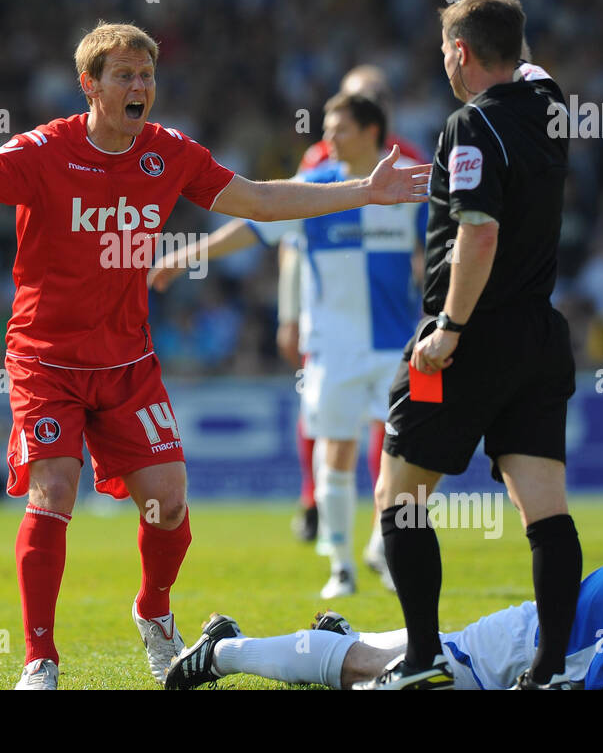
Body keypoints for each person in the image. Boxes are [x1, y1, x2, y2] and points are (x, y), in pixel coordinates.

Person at [0, 22, 430, 689]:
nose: (140, 87)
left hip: (127, 363)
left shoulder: (168, 153)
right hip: (45, 358)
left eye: (147, 76)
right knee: (55, 491)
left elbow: (258, 199)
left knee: (168, 506)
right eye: (125, 76)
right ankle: (39, 659)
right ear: (90, 85)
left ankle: (154, 613)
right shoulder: (41, 150)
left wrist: (363, 192)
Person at [373, 0, 582, 689]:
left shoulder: (469, 126)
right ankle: (551, 670)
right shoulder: (550, 104)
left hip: (463, 342)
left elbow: (480, 234)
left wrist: (448, 330)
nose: (443, 61)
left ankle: (424, 657)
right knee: (544, 507)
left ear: (459, 53)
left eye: (447, 48)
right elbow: (506, 45)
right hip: (539, 337)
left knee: (398, 496)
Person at [149, 92, 424, 599]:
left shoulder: (410, 181)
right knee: (336, 453)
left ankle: (383, 549)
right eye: (325, 127)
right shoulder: (315, 188)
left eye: (338, 128)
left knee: (409, 460)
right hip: (331, 350)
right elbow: (255, 227)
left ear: (370, 132)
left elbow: (440, 253)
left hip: (400, 350)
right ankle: (341, 565)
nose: (328, 139)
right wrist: (190, 253)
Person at [166, 544, 603, 691]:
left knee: (424, 652)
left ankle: (345, 635)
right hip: (535, 648)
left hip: (565, 632)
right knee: (378, 677)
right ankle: (226, 648)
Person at [281, 66, 425, 554]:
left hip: (392, 326)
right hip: (331, 320)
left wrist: (435, 314)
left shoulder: (409, 162)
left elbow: (429, 247)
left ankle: (379, 538)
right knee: (329, 424)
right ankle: (314, 504)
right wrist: (289, 311)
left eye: (374, 95)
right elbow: (287, 236)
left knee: (398, 434)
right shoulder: (319, 162)